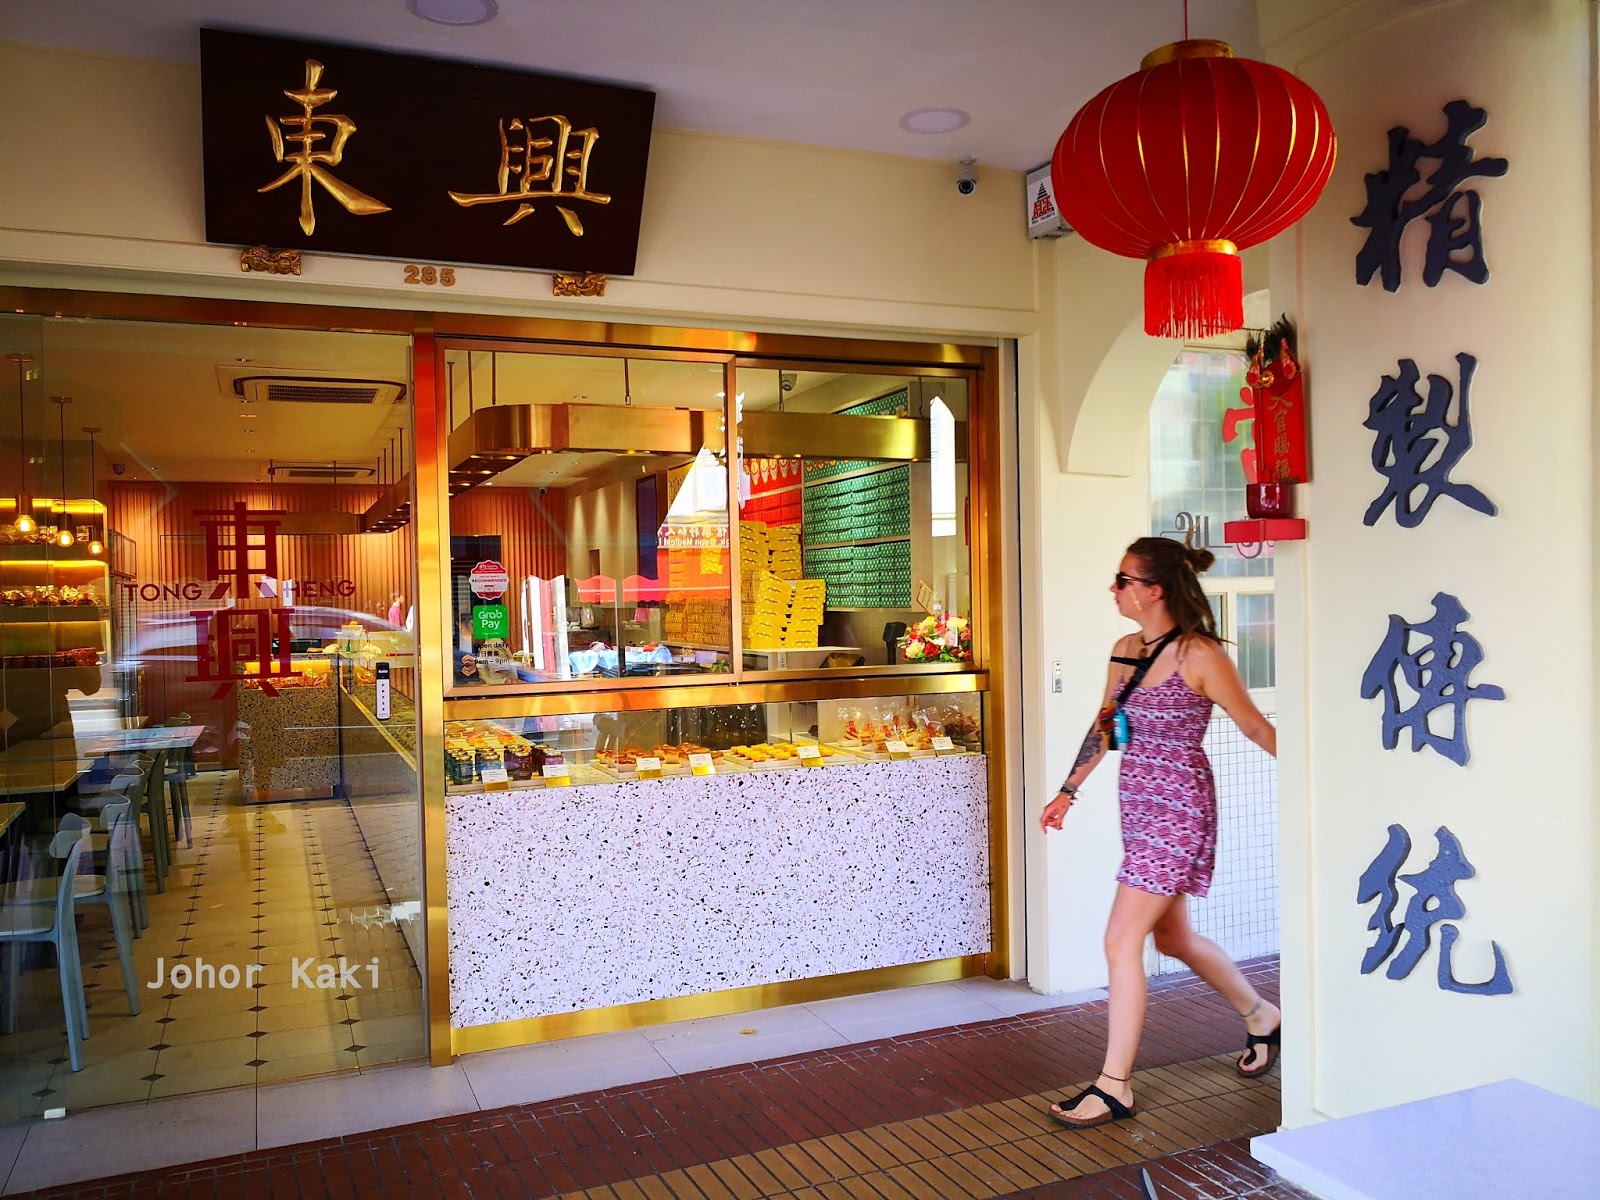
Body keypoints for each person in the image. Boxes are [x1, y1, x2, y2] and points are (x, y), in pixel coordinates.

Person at [1039, 536, 1280, 1129]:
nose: (1114, 589)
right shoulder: (1125, 650)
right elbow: (1106, 728)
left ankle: (1115, 1085)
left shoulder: (1201, 655)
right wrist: (1068, 791)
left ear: (1153, 589)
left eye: (1122, 579)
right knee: (1170, 940)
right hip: (1139, 809)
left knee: (1121, 942)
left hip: (1179, 811)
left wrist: (1316, 779)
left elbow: (1253, 726)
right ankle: (1262, 1017)